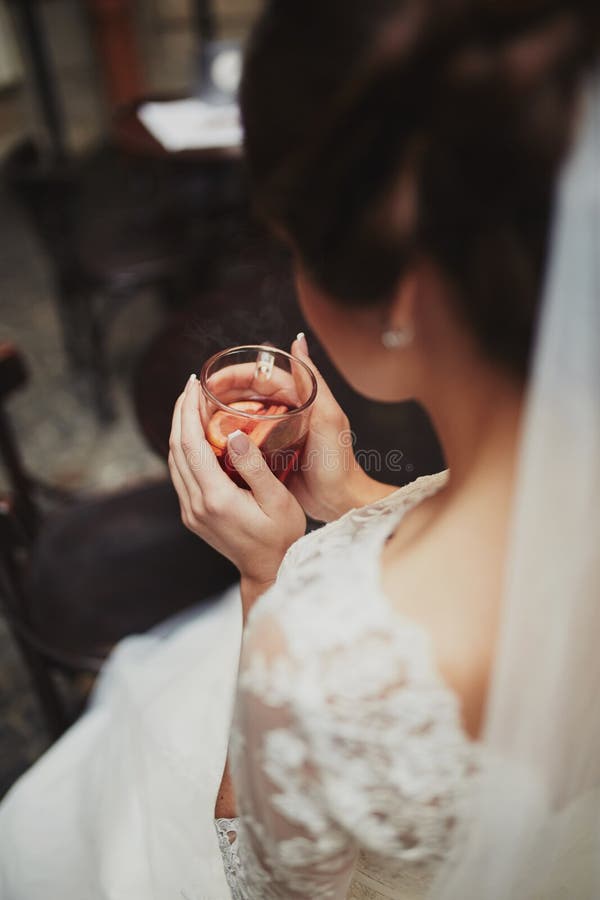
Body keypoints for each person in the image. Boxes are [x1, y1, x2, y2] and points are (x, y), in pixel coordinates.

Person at [1, 1, 599, 898]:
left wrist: (267, 579)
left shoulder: (315, 659)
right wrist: (356, 490)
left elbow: (266, 884)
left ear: (396, 295)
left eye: (295, 254)